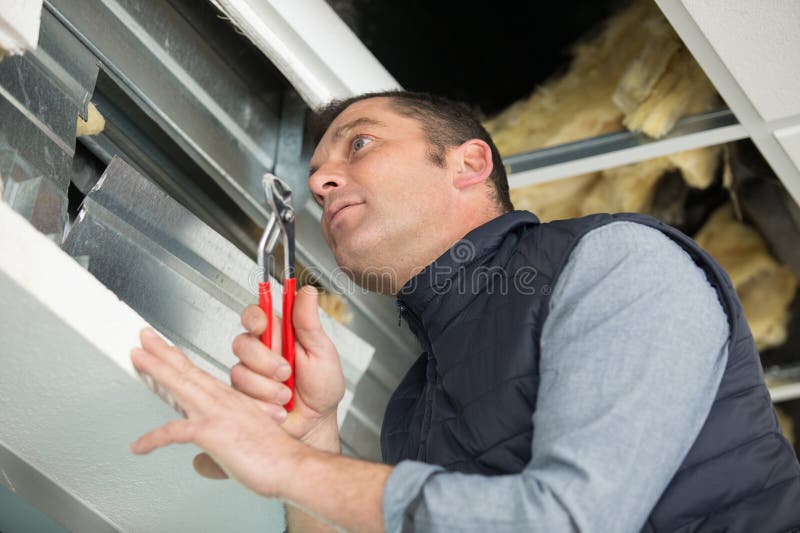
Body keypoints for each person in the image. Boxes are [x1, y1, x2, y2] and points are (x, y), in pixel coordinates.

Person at [130, 91, 800, 532]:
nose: (320, 181)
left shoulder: (619, 262)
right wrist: (313, 436)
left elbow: (566, 522)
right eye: (315, 177)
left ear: (469, 163)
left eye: (357, 144)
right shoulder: (412, 411)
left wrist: (281, 462)